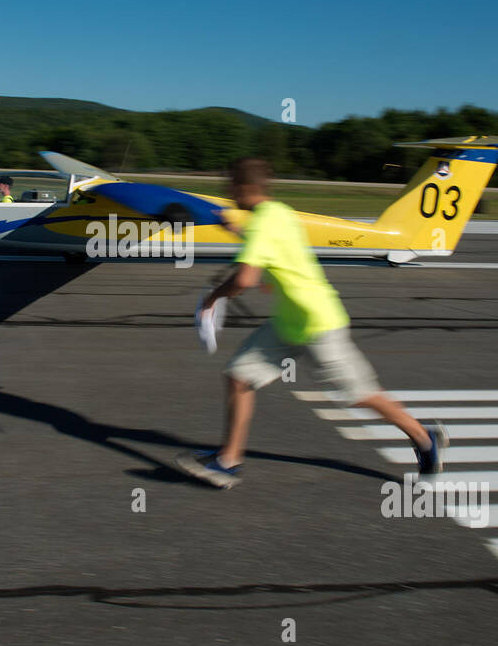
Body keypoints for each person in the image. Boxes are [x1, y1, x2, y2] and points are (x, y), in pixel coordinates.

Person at [181, 157, 447, 488]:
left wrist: (211, 299)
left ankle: (424, 437)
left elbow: (246, 279)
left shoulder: (264, 223)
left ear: (242, 187)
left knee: (359, 394)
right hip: (289, 323)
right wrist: (234, 229)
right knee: (239, 377)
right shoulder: (278, 212)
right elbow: (267, 244)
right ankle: (229, 461)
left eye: (229, 185)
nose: (227, 191)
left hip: (318, 324)